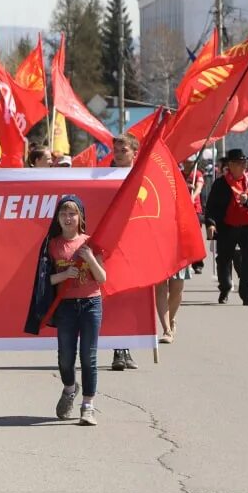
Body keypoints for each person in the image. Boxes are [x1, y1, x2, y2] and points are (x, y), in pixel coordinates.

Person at [43, 195, 106, 426]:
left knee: (89, 357)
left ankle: (88, 406)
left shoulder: (91, 243)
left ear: (80, 217)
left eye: (72, 214)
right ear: (58, 218)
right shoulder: (51, 245)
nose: (68, 218)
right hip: (66, 307)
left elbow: (102, 278)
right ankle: (70, 388)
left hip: (91, 304)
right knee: (65, 357)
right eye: (63, 214)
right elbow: (44, 280)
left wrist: (89, 258)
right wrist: (64, 275)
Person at [205, 149, 248, 306]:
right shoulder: (220, 183)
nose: (244, 166)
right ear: (231, 165)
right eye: (240, 163)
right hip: (227, 227)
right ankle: (225, 287)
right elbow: (211, 206)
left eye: (245, 163)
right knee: (224, 260)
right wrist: (211, 223)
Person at [108, 132, 140, 370]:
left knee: (131, 299)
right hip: (113, 246)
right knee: (116, 298)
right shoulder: (104, 178)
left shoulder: (142, 176)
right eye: (116, 151)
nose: (118, 155)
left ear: (134, 153)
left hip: (136, 245)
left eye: (123, 151)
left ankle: (126, 348)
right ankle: (118, 350)